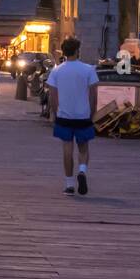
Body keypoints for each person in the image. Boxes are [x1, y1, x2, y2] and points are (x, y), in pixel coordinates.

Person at [46, 36, 98, 195]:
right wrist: (92, 112)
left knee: (67, 148)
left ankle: (69, 184)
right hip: (83, 115)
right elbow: (93, 95)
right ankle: (82, 171)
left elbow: (52, 96)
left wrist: (56, 113)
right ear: (77, 51)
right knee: (83, 147)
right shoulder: (88, 70)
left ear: (64, 52)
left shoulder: (57, 71)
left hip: (64, 115)